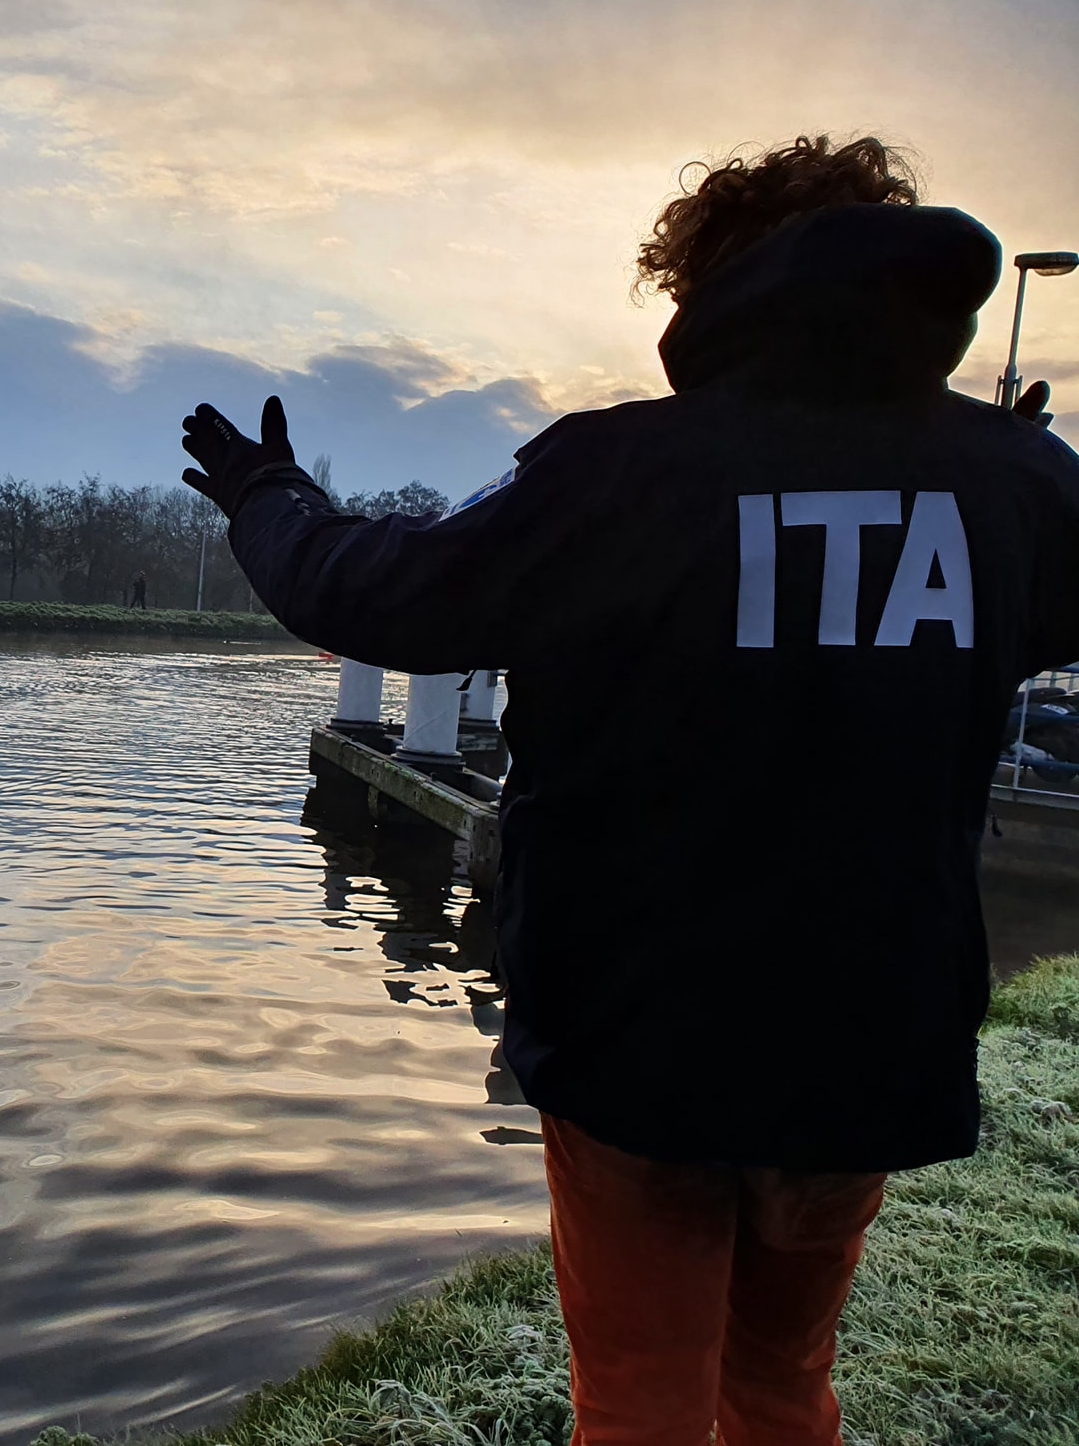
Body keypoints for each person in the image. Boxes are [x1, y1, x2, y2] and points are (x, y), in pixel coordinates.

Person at [179, 135, 1079, 1445]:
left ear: (716, 284)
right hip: (870, 1046)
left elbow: (369, 590)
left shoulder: (617, 475)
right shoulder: (1014, 485)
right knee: (781, 1389)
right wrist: (999, 480)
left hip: (636, 1038)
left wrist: (266, 494)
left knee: (639, 1408)